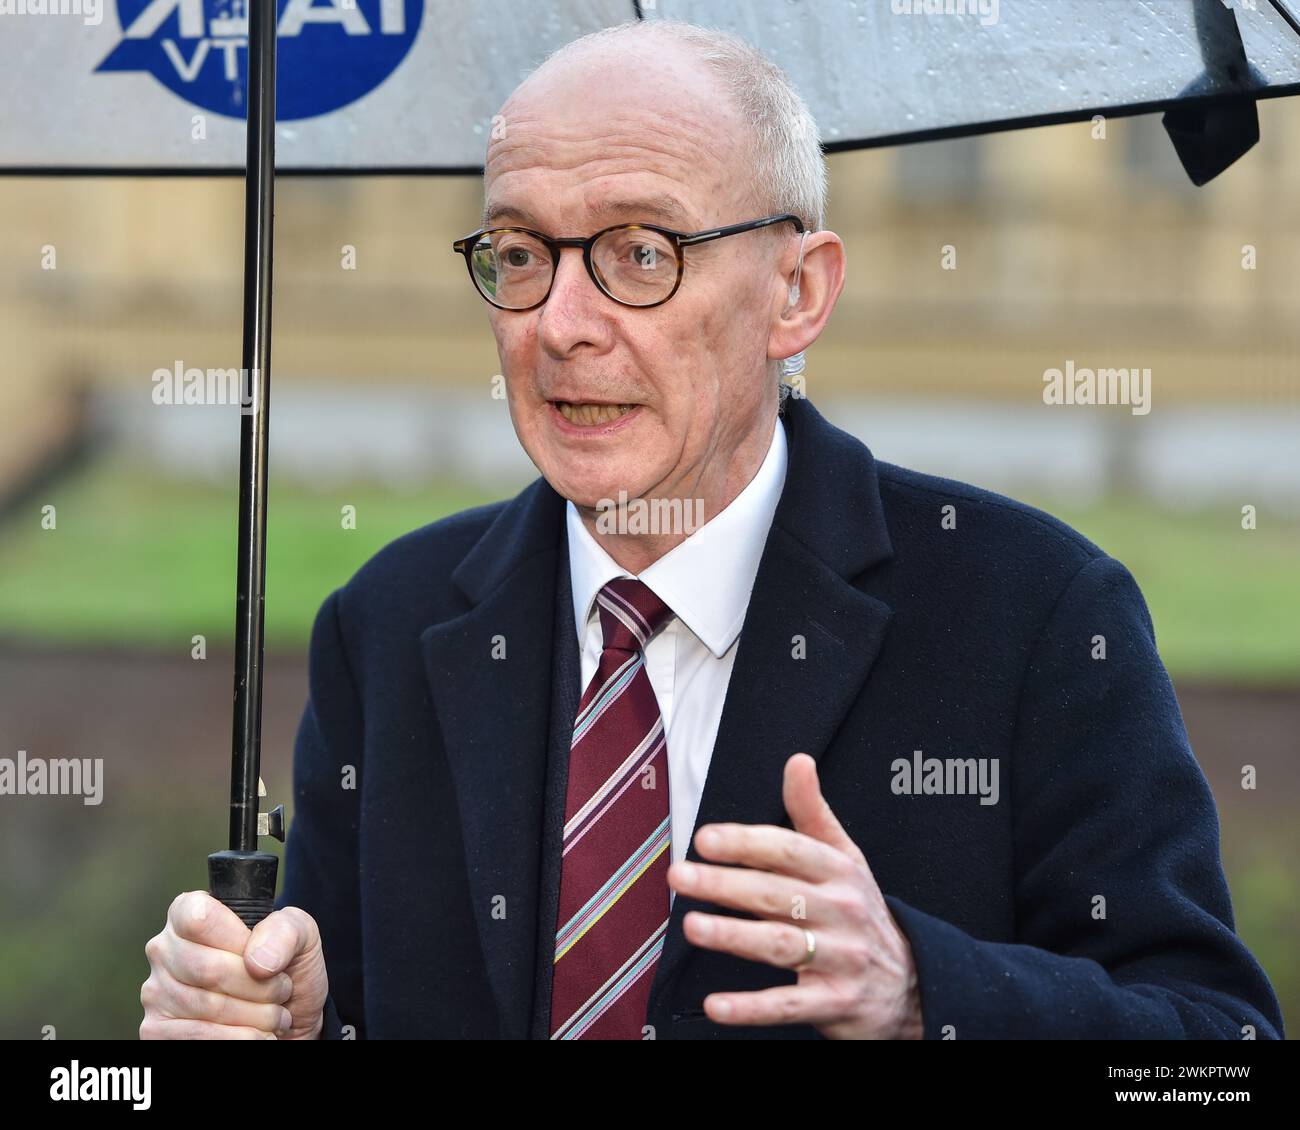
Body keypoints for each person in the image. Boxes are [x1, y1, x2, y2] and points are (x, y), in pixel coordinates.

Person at [140, 19, 1283, 1041]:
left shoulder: (1034, 613)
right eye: (522, 255)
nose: (561, 326)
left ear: (797, 293)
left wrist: (923, 992)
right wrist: (291, 1027)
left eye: (641, 252)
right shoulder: (390, 621)